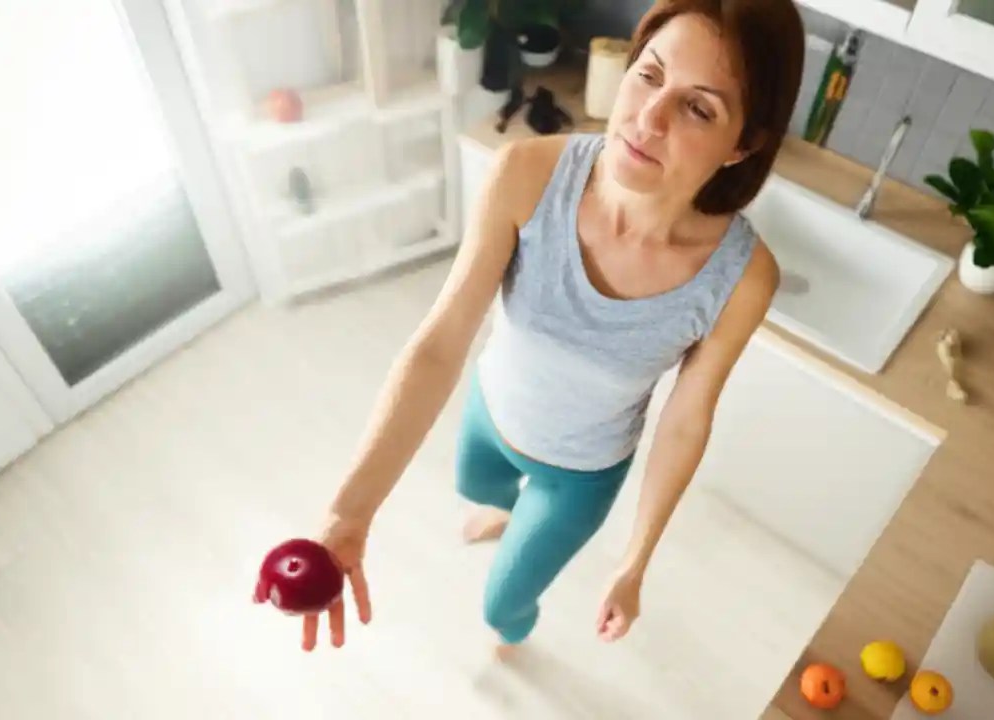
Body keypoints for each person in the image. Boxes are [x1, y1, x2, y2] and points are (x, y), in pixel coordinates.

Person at [298, 0, 805, 653]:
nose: (648, 120)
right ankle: (504, 505)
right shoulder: (526, 174)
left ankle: (514, 630)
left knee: (501, 602)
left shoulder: (742, 278)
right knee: (475, 487)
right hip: (491, 413)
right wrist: (349, 509)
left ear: (744, 143)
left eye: (698, 107)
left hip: (580, 474)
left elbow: (685, 420)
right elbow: (442, 340)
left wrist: (634, 563)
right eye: (648, 75)